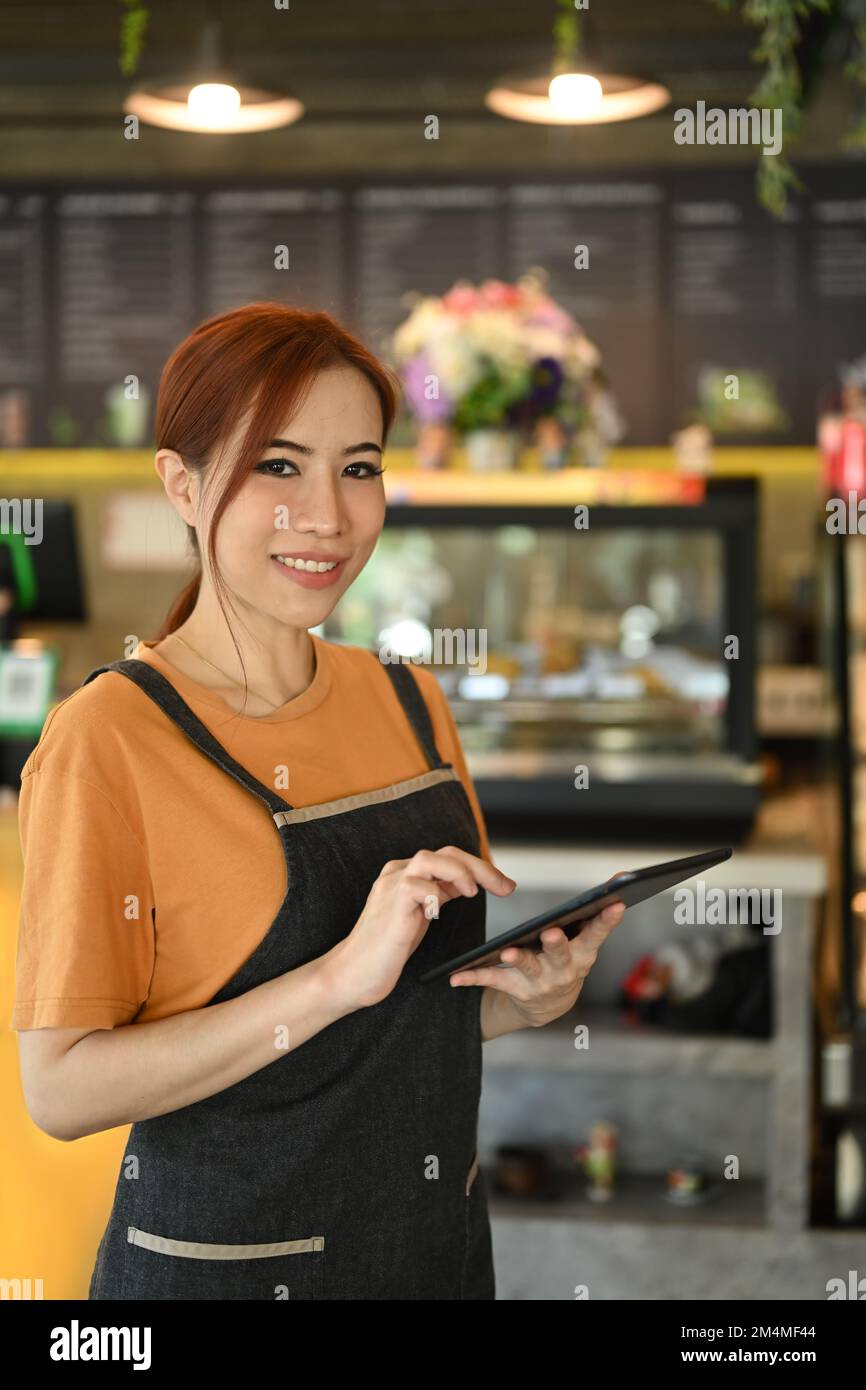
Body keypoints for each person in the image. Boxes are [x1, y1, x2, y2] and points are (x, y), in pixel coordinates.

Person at [13, 302, 625, 1300]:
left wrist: (525, 1001)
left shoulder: (407, 698)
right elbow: (64, 1088)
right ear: (182, 482)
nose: (329, 517)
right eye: (278, 465)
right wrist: (338, 975)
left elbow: (388, 1037)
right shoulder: (110, 738)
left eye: (359, 466)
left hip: (432, 1258)